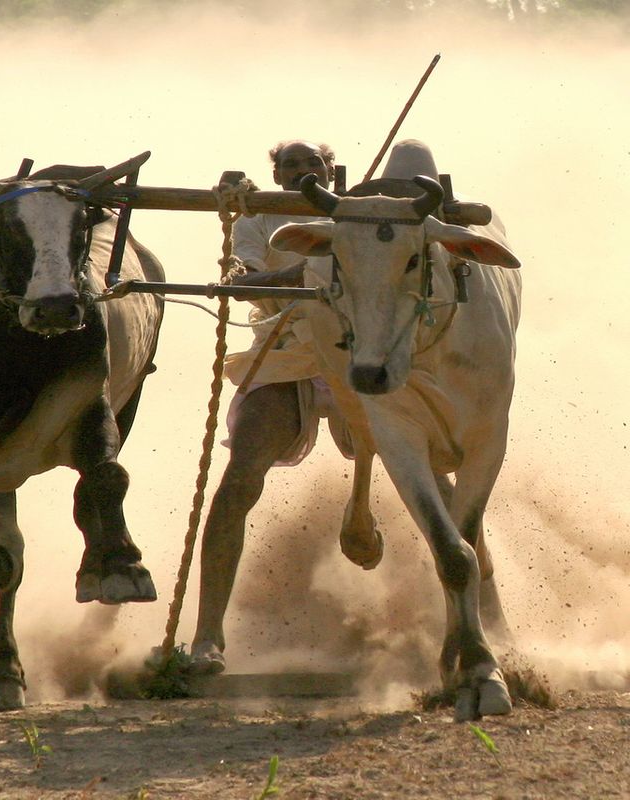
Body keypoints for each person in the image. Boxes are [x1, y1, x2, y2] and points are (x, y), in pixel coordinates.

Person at [189, 140, 356, 674]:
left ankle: (471, 622)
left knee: (414, 469)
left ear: (332, 171)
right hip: (284, 352)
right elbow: (240, 281)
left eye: (315, 164)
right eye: (292, 165)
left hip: (359, 355)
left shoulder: (362, 212)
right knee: (239, 480)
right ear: (277, 176)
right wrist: (300, 279)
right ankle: (206, 637)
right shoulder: (256, 218)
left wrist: (291, 280)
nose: (304, 172)